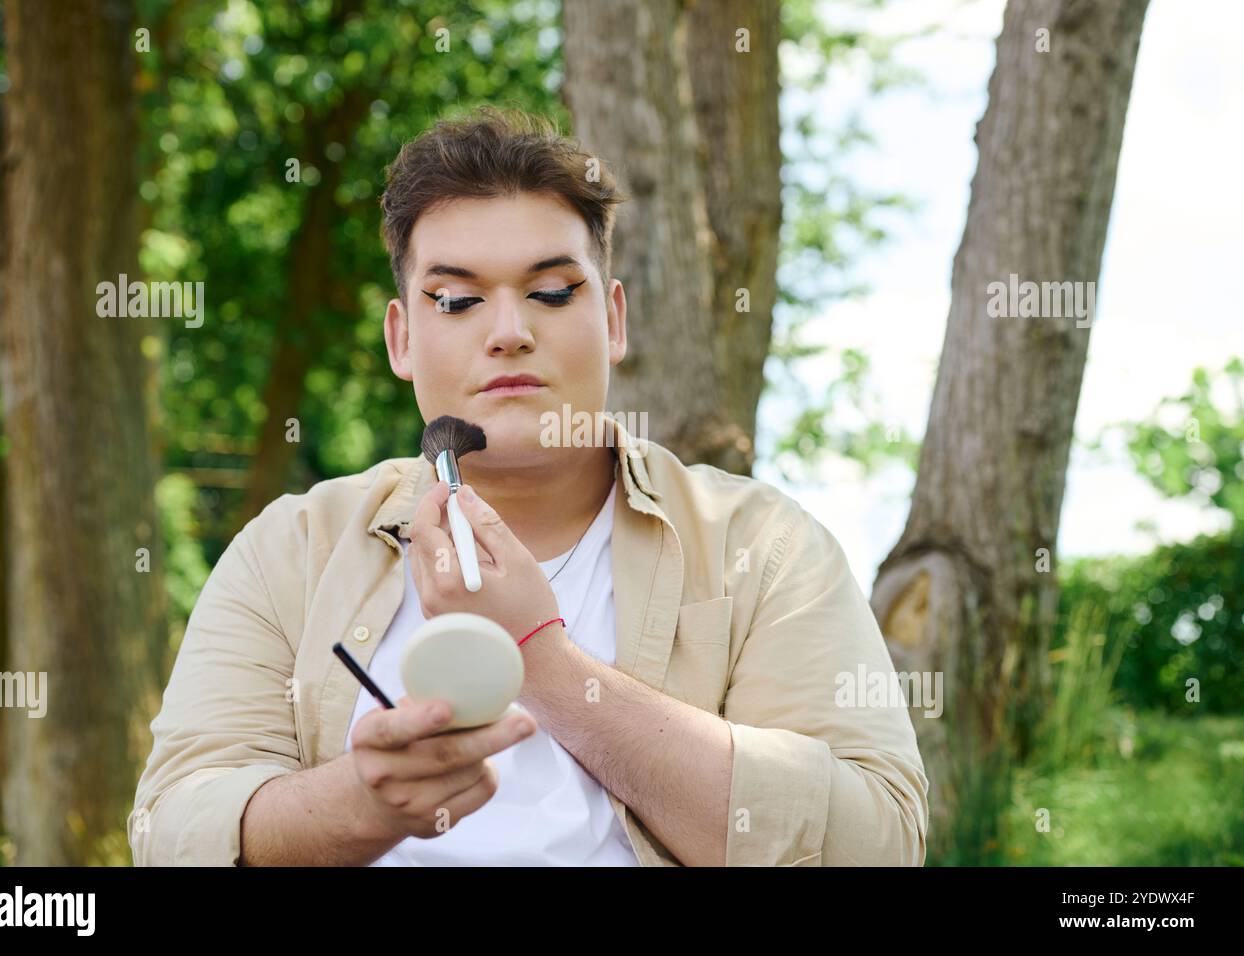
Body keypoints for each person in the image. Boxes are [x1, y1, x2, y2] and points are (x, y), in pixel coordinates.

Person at [130, 106, 928, 867]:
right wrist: (360, 802)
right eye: (458, 300)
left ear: (614, 322)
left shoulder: (764, 547)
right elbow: (172, 826)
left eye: (551, 292)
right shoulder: (289, 551)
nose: (508, 331)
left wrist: (538, 655)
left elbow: (878, 842)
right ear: (402, 338)